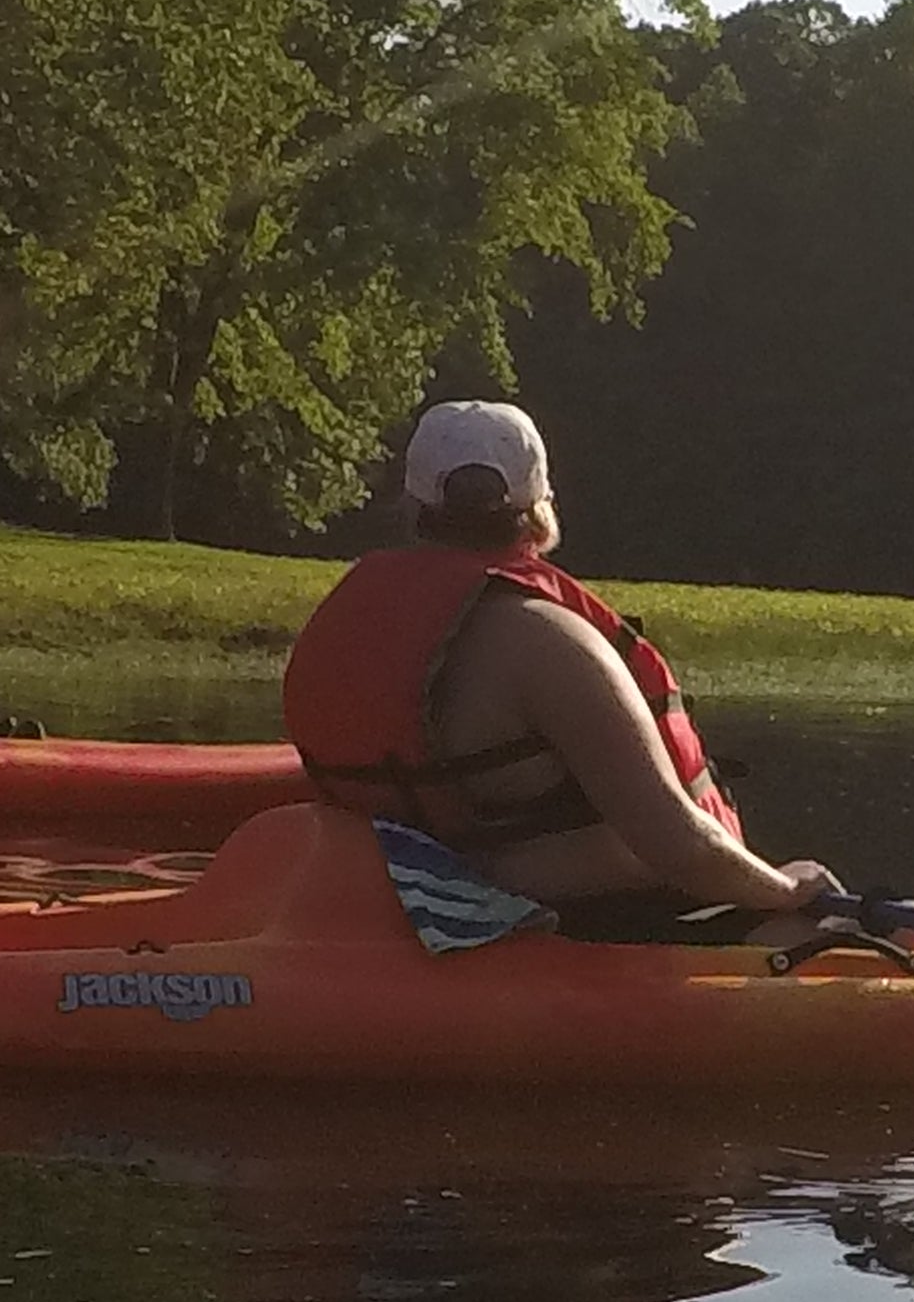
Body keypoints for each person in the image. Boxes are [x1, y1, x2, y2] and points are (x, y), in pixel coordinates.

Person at [281, 399, 845, 941]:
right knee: (834, 926)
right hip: (586, 931)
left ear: (415, 506)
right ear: (539, 507)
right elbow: (678, 845)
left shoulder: (348, 620)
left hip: (424, 914)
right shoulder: (548, 640)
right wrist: (786, 889)